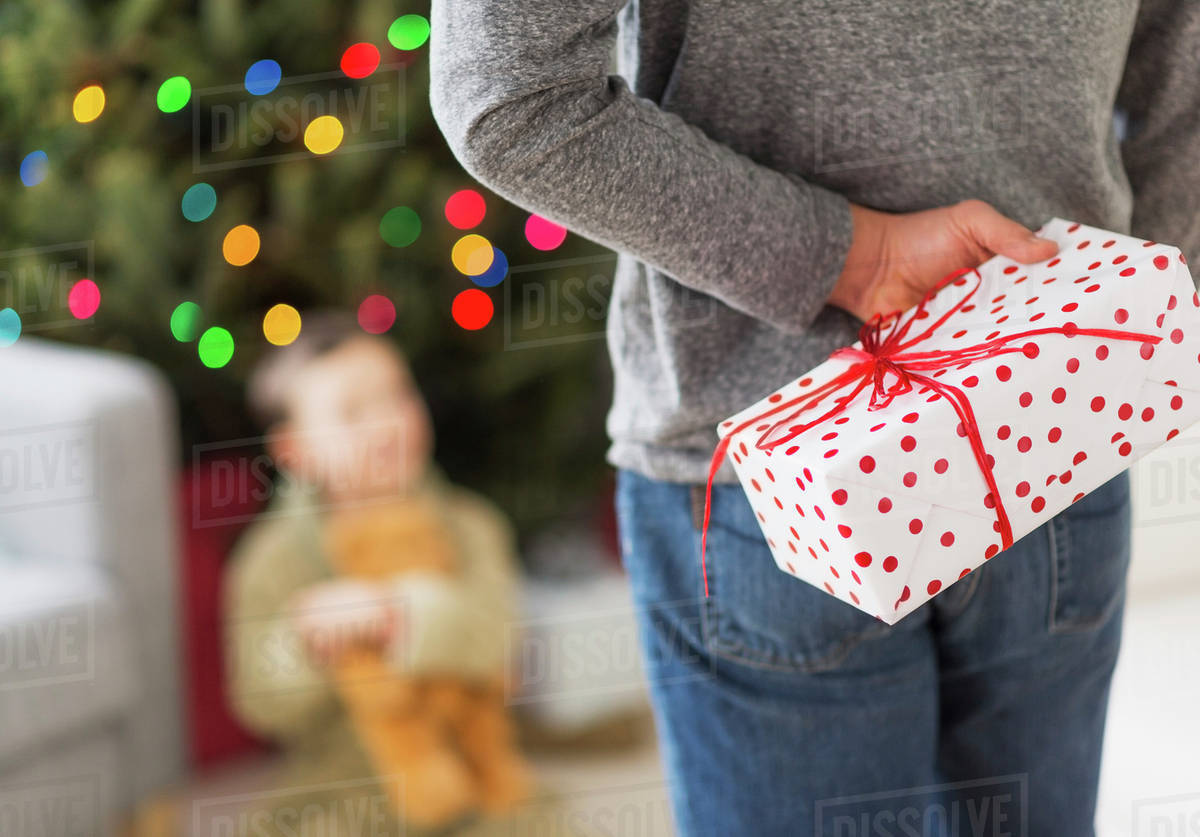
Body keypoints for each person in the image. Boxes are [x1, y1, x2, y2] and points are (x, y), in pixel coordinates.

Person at [428, 2, 1200, 834]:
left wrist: (853, 259)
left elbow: (503, 90)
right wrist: (1123, 325)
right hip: (1038, 421)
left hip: (803, 466)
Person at [222, 313, 531, 837]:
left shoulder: (470, 524)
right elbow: (260, 702)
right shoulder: (272, 558)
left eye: (398, 395)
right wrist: (306, 640)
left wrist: (393, 613)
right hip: (343, 787)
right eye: (354, 411)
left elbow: (498, 638)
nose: (387, 421)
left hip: (475, 775)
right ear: (294, 451)